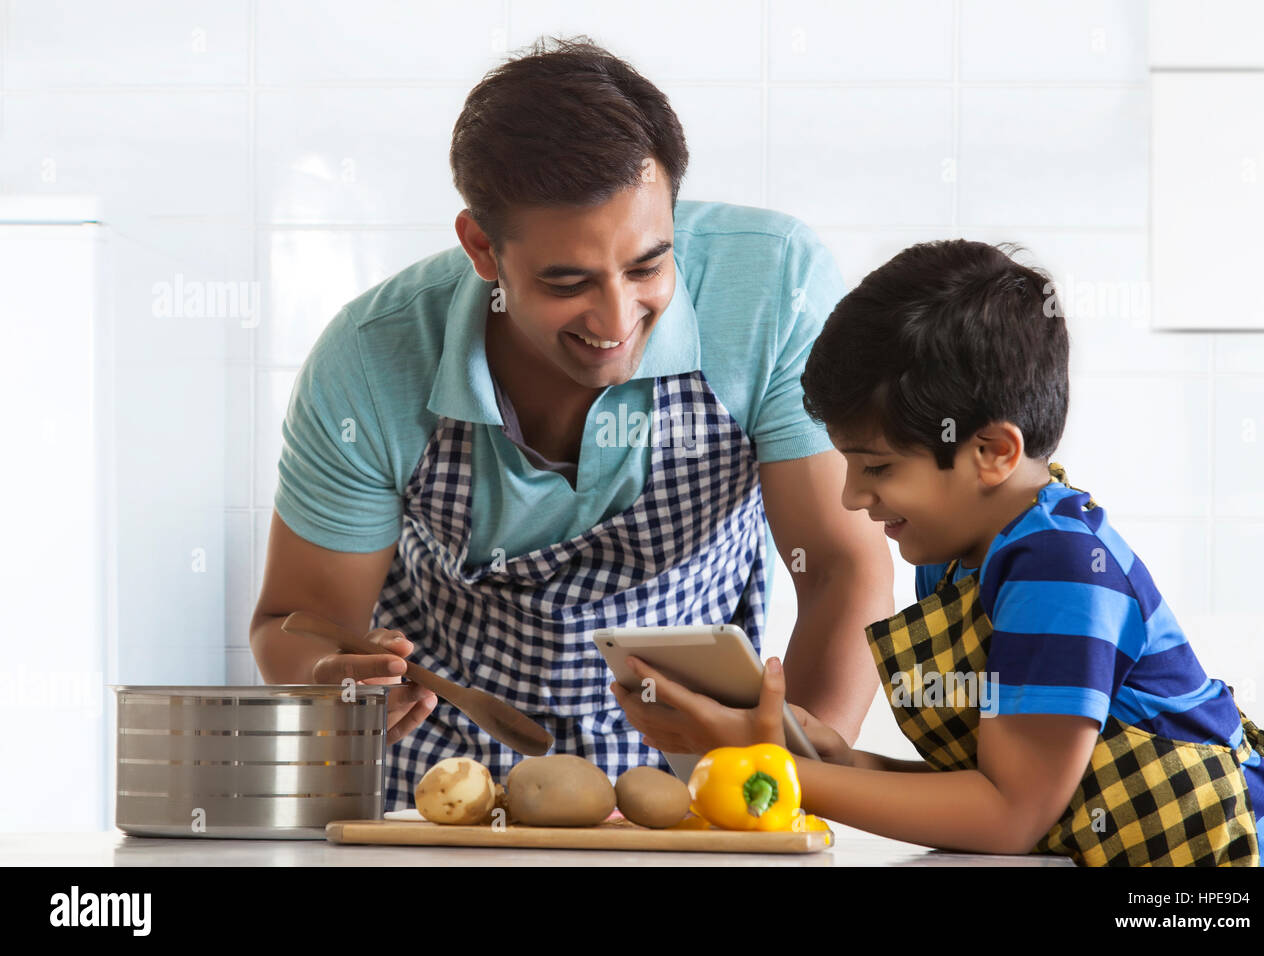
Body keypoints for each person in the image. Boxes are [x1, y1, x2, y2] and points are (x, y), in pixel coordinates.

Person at [249, 36, 895, 811]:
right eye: (568, 281)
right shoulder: (370, 360)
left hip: (697, 781)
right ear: (482, 248)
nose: (617, 319)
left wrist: (787, 791)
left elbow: (837, 566)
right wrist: (331, 684)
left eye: (648, 266)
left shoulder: (772, 288)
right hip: (442, 791)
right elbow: (297, 623)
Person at [615, 238, 1264, 865]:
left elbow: (1009, 817)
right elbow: (992, 789)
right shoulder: (961, 559)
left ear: (993, 452)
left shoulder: (1061, 566)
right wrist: (839, 760)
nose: (853, 497)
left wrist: (771, 772)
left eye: (877, 468)